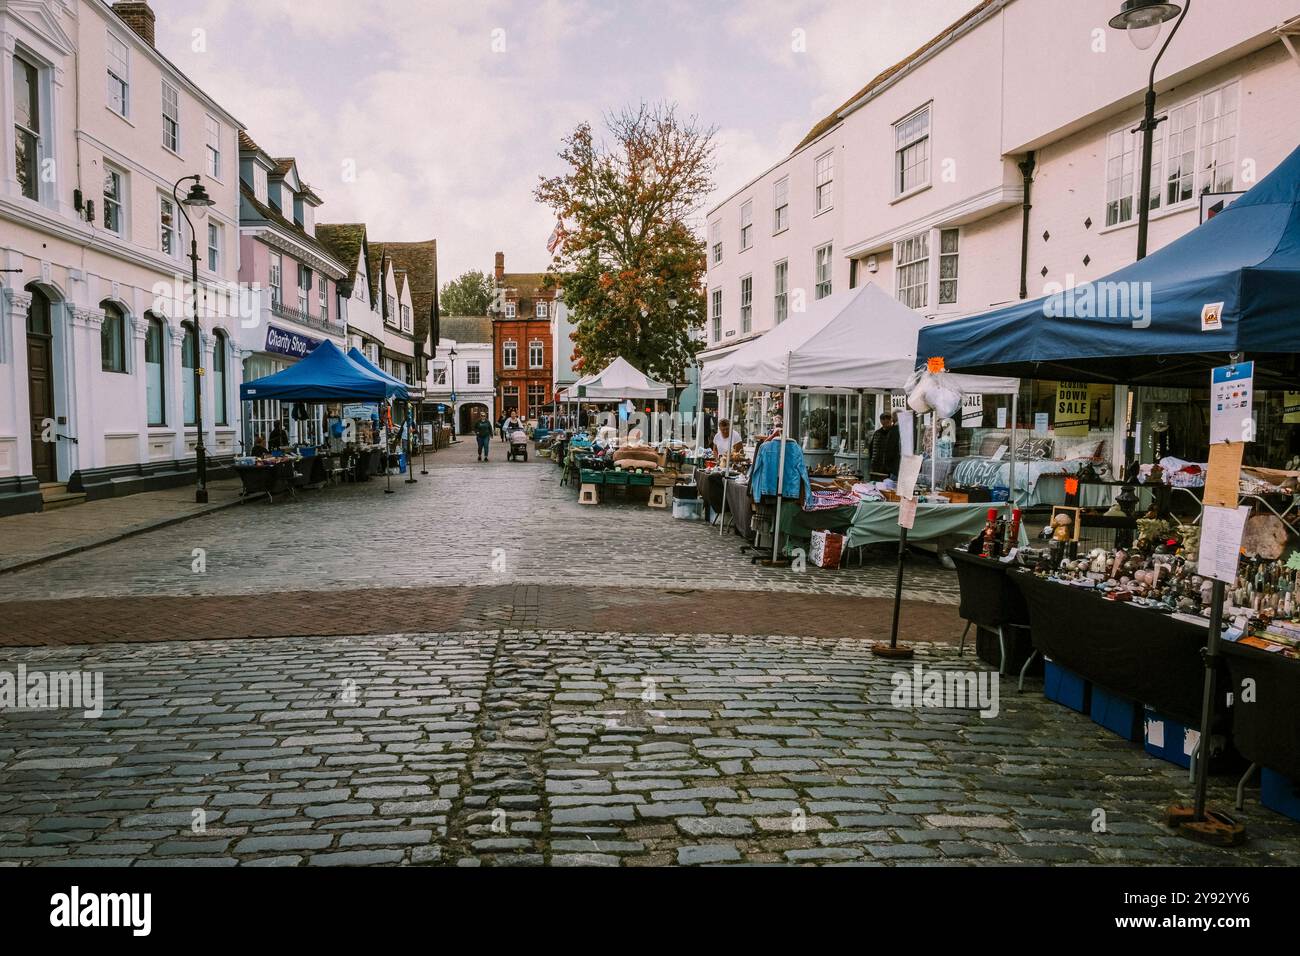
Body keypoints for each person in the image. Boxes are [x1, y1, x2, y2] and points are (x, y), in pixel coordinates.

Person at [867, 413, 901, 481]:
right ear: (881, 421)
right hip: (877, 466)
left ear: (890, 420)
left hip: (889, 467)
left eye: (887, 421)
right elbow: (871, 448)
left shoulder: (894, 432)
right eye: (883, 421)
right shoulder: (877, 433)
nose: (885, 423)